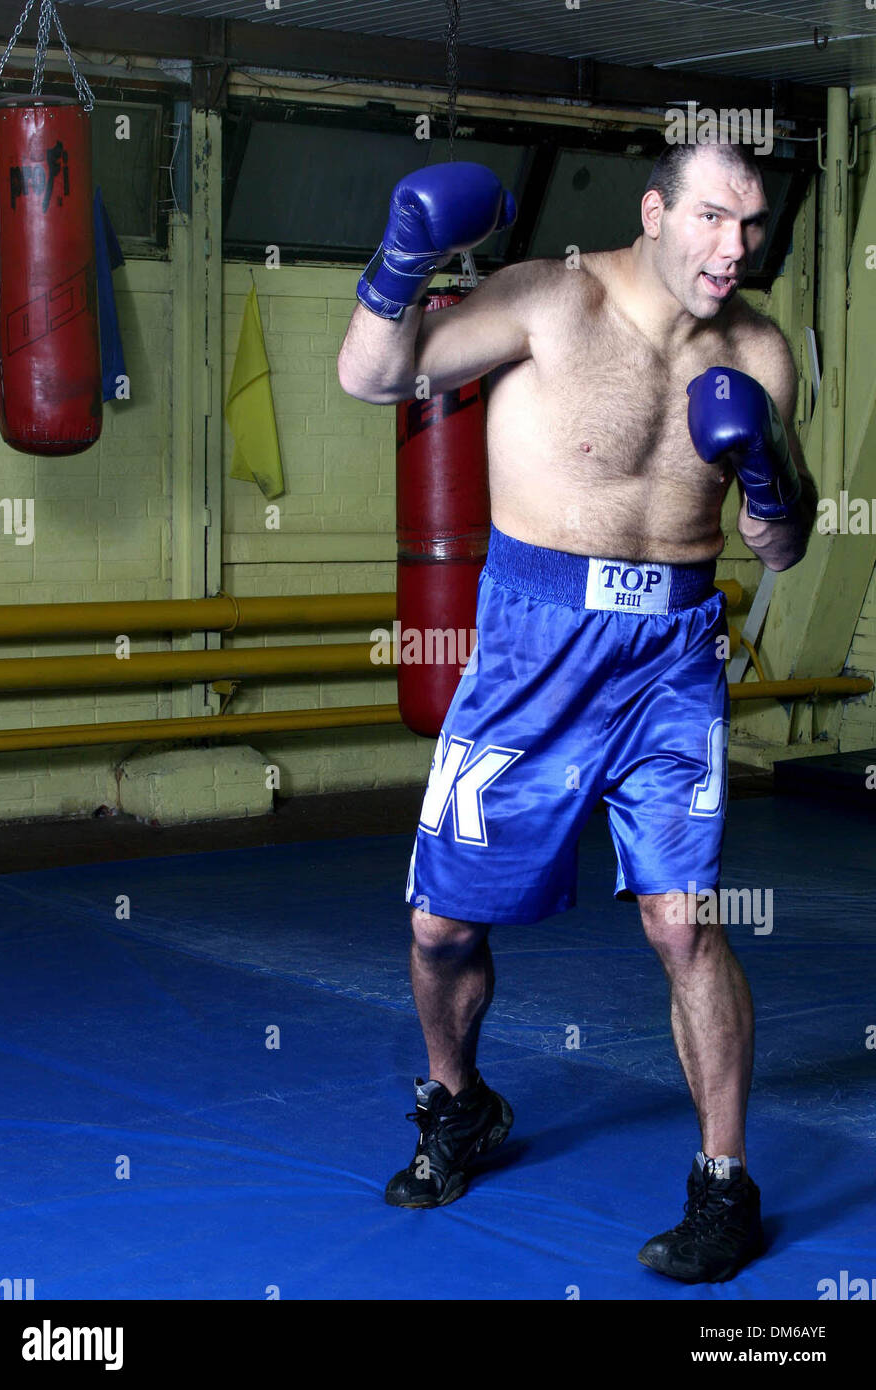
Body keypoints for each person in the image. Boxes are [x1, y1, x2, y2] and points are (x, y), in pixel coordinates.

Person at [337, 143, 817, 1284]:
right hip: (529, 649)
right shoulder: (555, 298)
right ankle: (458, 1107)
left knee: (682, 923)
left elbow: (785, 546)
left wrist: (764, 478)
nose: (730, 249)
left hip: (671, 657)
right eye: (709, 218)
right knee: (440, 927)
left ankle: (723, 1186)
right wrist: (401, 259)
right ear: (654, 210)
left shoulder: (758, 349)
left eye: (748, 227)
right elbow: (371, 376)